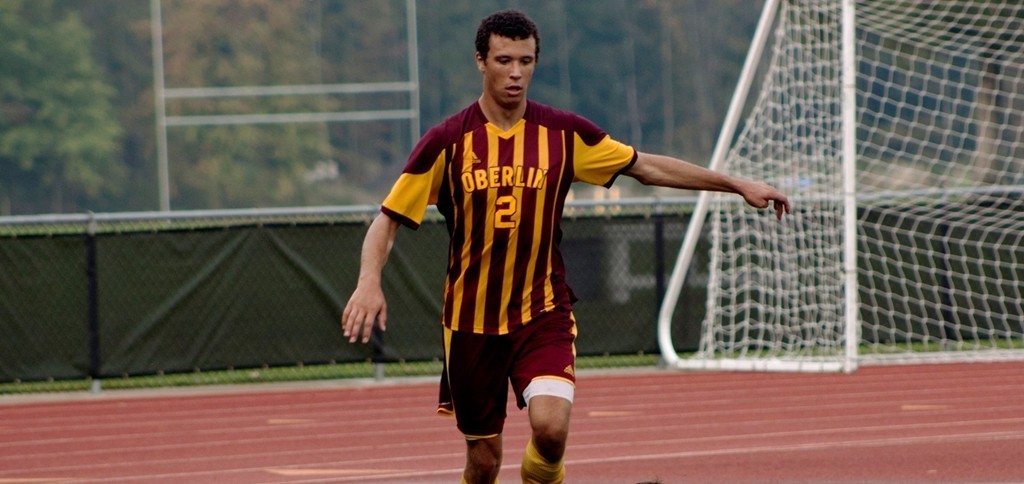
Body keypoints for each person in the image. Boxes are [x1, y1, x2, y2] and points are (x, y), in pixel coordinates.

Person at [342, 9, 790, 484]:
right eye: (504, 60)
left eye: (526, 61)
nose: (516, 73)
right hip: (471, 323)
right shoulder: (447, 142)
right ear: (481, 61)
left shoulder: (563, 134)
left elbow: (645, 166)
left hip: (543, 311)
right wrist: (369, 282)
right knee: (484, 461)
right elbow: (387, 220)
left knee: (551, 429)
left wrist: (735, 184)